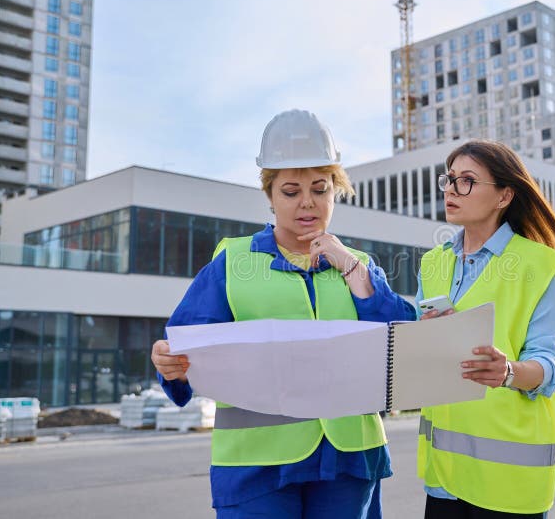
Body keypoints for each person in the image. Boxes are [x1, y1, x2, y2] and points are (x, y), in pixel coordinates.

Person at [151, 109, 415, 518]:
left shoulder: (360, 263)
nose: (307, 203)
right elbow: (185, 350)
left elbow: (404, 338)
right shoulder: (232, 263)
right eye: (291, 191)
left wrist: (351, 269)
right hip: (257, 466)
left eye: (320, 189)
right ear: (270, 196)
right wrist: (171, 365)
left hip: (348, 461)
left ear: (335, 192)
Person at [416, 140, 555, 518]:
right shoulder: (432, 264)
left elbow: (549, 365)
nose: (451, 190)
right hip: (445, 475)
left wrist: (507, 372)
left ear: (504, 195)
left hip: (509, 481)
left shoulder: (537, 265)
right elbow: (420, 355)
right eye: (449, 179)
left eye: (467, 181)